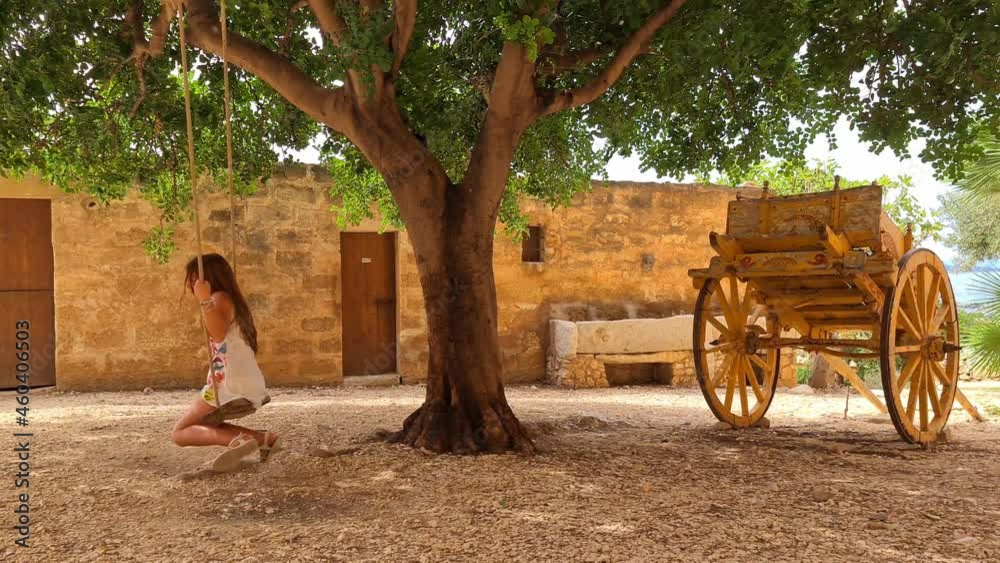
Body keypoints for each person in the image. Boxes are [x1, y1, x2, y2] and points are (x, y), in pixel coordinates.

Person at [170, 253, 281, 472]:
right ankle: (264, 439)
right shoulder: (231, 300)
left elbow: (218, 334)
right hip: (241, 378)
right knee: (208, 423)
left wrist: (204, 300)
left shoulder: (219, 298)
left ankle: (238, 442)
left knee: (180, 433)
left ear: (210, 278)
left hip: (227, 382)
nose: (193, 285)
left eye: (195, 279)